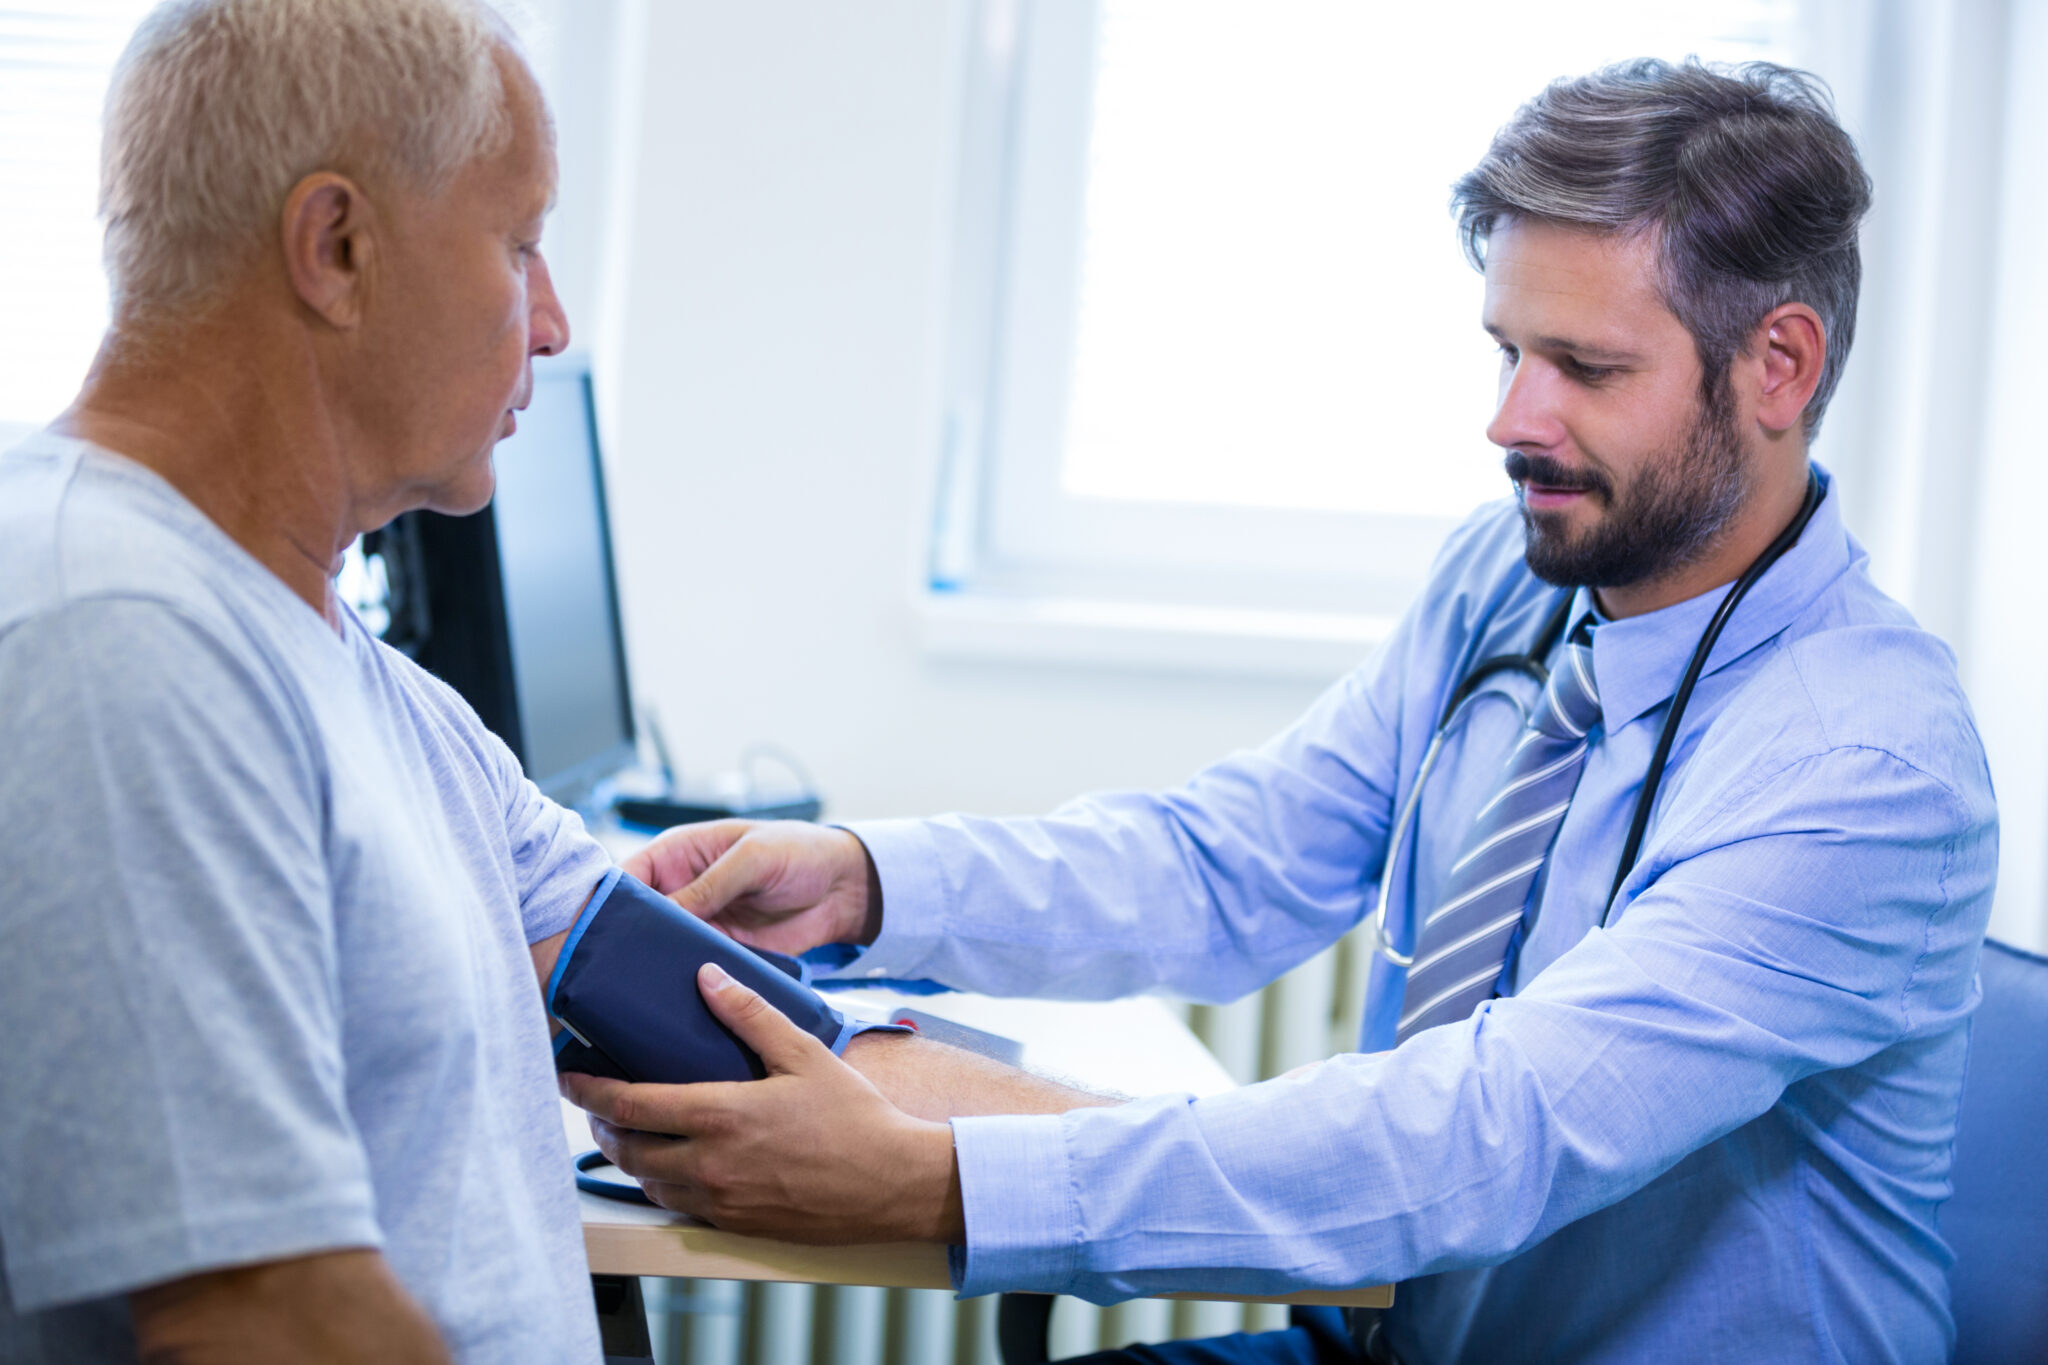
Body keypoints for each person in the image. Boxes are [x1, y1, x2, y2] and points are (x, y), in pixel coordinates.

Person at [560, 60, 1999, 1364]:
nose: (1511, 416)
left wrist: (937, 1177)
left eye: (1586, 369)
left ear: (1781, 367)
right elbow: (1235, 857)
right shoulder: (1511, 576)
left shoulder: (1863, 770)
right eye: (1508, 349)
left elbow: (1486, 1132)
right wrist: (868, 881)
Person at [0, 2, 1059, 1360]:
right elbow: (259, 1318)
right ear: (338, 248)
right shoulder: (112, 641)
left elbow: (762, 1041)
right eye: (518, 244)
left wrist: (1161, 1159)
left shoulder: (369, 687)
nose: (552, 326)